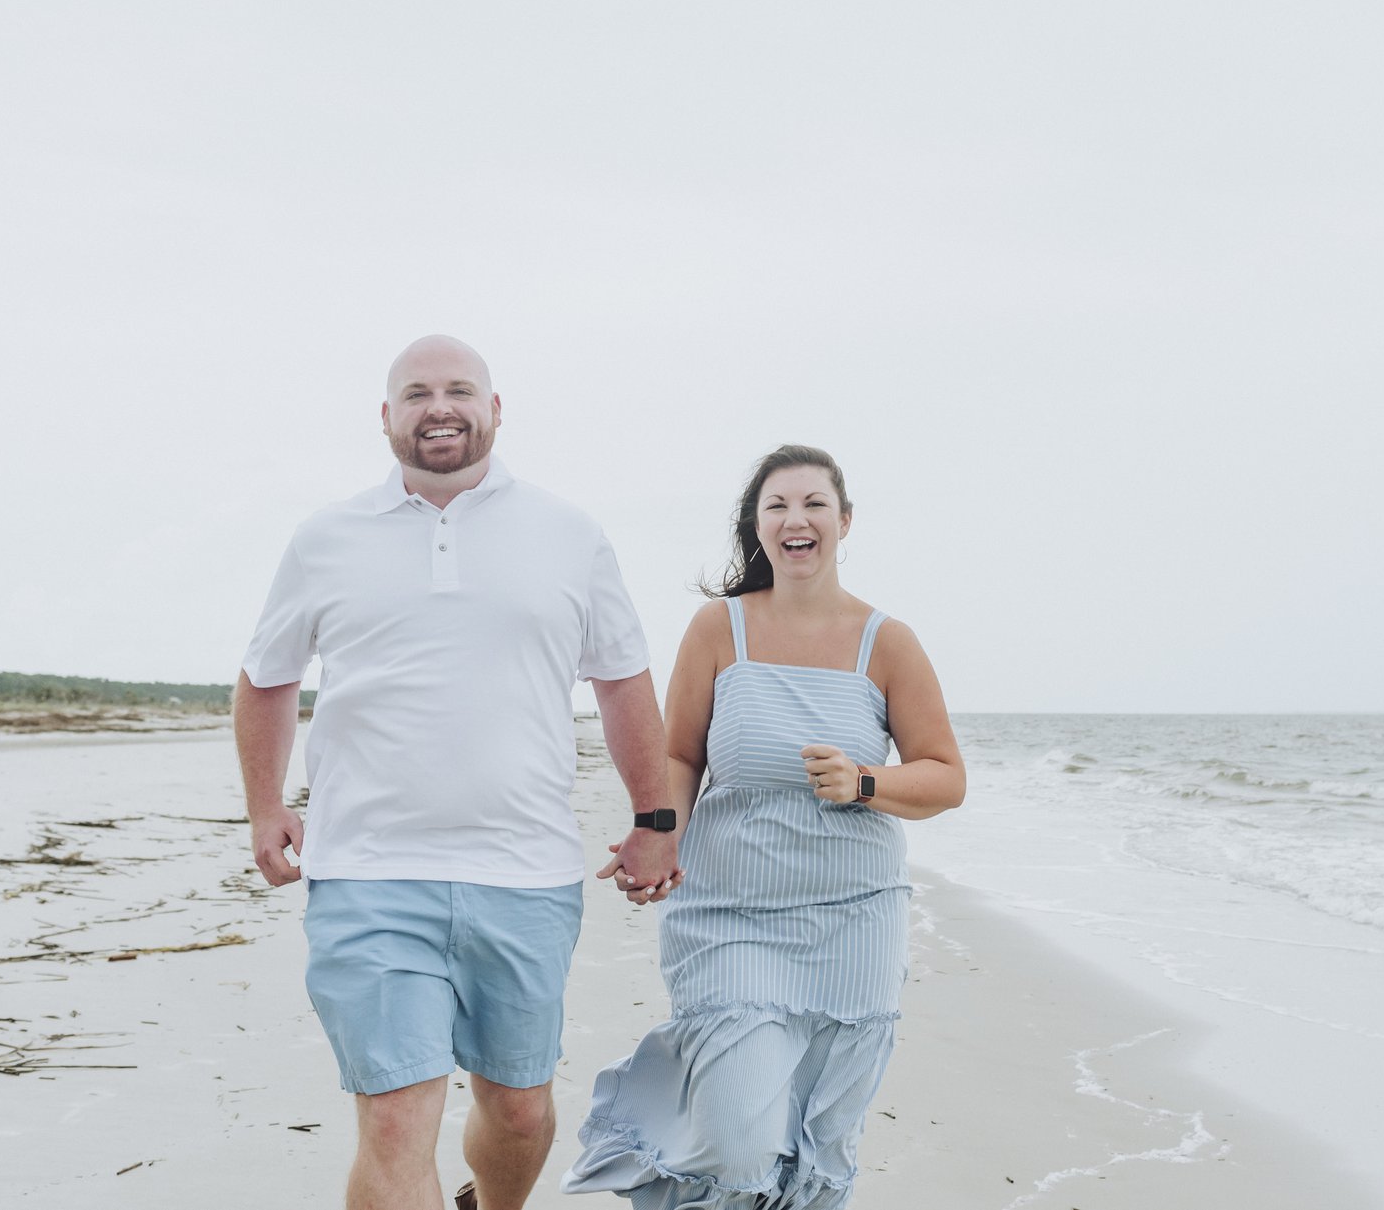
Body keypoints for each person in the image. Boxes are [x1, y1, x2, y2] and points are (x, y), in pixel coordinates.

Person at [235, 335, 681, 1210]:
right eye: (416, 393)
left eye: (459, 390)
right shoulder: (325, 538)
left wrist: (654, 819)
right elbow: (267, 677)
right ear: (386, 416)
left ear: (495, 409)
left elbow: (623, 680)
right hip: (368, 870)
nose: (439, 407)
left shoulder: (569, 533)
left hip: (525, 871)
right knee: (395, 1120)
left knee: (518, 1110)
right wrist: (264, 806)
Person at [564, 444, 966, 1209]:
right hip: (732, 913)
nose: (795, 519)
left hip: (855, 920)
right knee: (737, 1134)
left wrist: (865, 780)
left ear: (845, 522)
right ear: (756, 525)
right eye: (776, 505)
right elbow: (679, 753)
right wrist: (658, 829)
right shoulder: (720, 629)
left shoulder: (888, 641)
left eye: (814, 503)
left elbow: (945, 775)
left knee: (821, 1142)